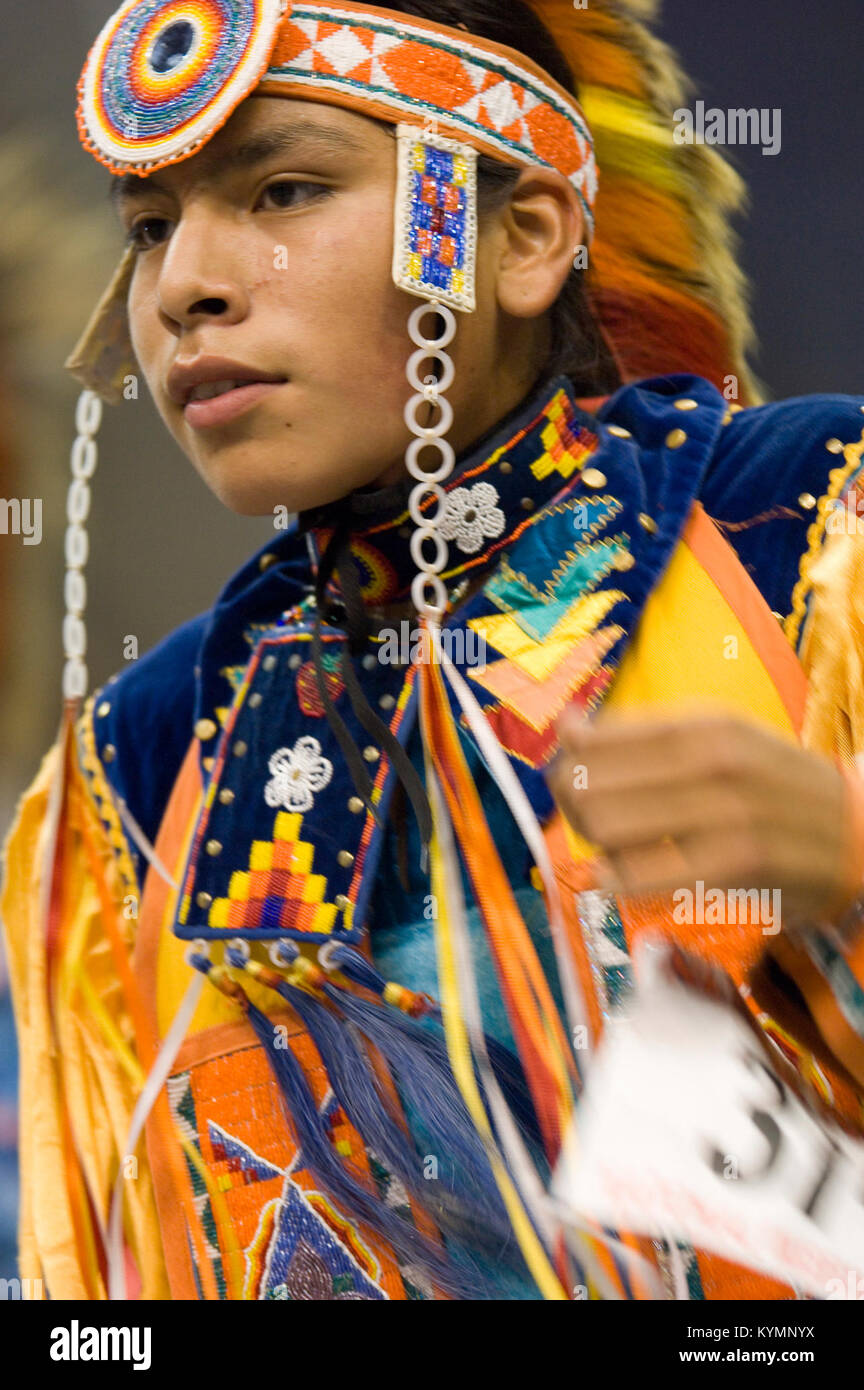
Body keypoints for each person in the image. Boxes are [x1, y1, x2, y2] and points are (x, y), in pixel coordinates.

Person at [3, 0, 864, 1302]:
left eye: (284, 189)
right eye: (151, 225)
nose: (182, 285)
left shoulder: (802, 531)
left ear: (520, 238)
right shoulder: (139, 761)